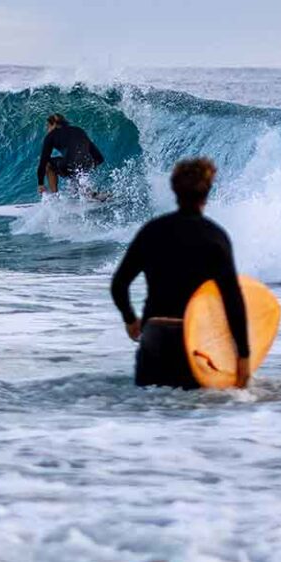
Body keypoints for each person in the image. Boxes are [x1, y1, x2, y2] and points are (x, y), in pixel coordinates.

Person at [110, 158, 250, 389]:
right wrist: (243, 355)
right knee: (192, 415)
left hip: (154, 334)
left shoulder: (153, 231)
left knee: (146, 412)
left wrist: (130, 319)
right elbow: (232, 300)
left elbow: (119, 284)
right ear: (207, 192)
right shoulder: (215, 237)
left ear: (175, 189)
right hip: (194, 338)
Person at [36, 113, 104, 194]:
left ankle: (54, 197)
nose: (47, 129)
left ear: (54, 124)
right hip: (87, 163)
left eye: (48, 126)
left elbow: (43, 161)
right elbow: (99, 157)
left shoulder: (51, 136)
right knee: (77, 169)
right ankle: (92, 194)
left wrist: (40, 184)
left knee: (49, 164)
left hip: (69, 164)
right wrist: (89, 166)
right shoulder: (79, 130)